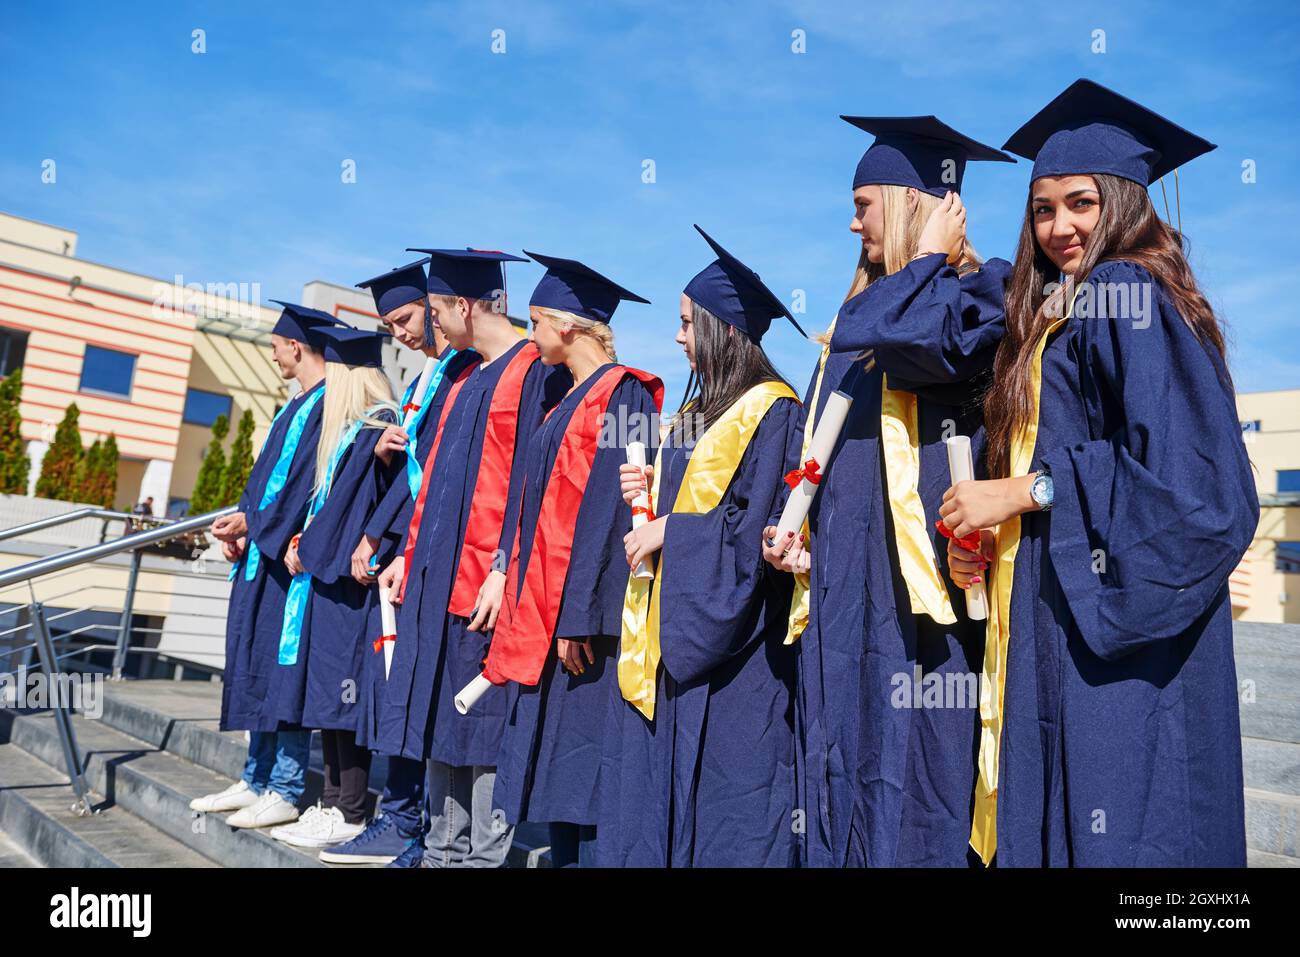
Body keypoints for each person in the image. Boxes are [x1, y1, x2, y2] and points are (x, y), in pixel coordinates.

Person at [942, 79, 1258, 867]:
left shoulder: (1126, 290)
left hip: (1122, 637)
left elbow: (1195, 488)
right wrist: (991, 529)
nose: (1059, 227)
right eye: (1043, 209)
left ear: (1122, 200)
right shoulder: (1066, 308)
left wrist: (1022, 491)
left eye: (1081, 203)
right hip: (1063, 612)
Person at [761, 116, 1014, 867]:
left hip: (927, 605)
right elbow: (825, 457)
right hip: (845, 601)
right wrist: (799, 532)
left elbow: (912, 338)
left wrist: (934, 254)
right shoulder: (858, 322)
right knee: (838, 772)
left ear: (916, 202)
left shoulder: (979, 298)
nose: (851, 220)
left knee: (918, 782)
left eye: (865, 203)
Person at [598, 226, 803, 867]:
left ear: (721, 328)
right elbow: (706, 501)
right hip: (671, 640)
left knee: (728, 812)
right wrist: (654, 490)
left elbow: (755, 529)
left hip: (738, 658)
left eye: (688, 323)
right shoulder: (699, 413)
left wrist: (672, 532)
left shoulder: (774, 411)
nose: (679, 337)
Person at [375, 248, 570, 868]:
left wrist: (504, 567)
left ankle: (483, 861)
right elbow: (432, 477)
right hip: (436, 579)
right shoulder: (462, 374)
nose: (430, 323)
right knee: (440, 720)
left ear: (462, 305)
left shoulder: (532, 370)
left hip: (484, 582)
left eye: (434, 309)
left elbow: (534, 485)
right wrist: (408, 551)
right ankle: (440, 854)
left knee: (482, 727)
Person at [483, 252, 660, 868]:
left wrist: (579, 617)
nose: (529, 338)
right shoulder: (568, 398)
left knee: (585, 778)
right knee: (560, 778)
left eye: (534, 323)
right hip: (547, 610)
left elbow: (614, 511)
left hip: (584, 626)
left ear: (566, 325)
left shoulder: (627, 394)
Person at [322, 259, 480, 867]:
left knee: (418, 692)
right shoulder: (424, 379)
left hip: (437, 556)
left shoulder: (467, 372)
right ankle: (405, 820)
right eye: (389, 325)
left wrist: (385, 538)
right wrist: (374, 530)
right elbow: (416, 470)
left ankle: (415, 825)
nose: (401, 333)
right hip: (405, 547)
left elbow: (443, 476)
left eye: (408, 317)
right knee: (399, 692)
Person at [194, 301, 342, 829]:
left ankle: (284, 784)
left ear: (295, 347)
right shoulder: (294, 405)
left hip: (290, 562)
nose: (273, 353)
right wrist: (242, 525)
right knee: (254, 663)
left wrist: (258, 528)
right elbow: (265, 485)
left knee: (283, 672)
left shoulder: (328, 406)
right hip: (264, 556)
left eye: (276, 345)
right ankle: (256, 776)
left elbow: (306, 487)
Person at [261, 324, 398, 849]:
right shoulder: (350, 432)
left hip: (351, 585)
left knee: (346, 701)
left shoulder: (378, 428)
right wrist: (302, 541)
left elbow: (364, 508)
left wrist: (313, 548)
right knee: (328, 701)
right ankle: (333, 801)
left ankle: (353, 807)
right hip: (327, 577)